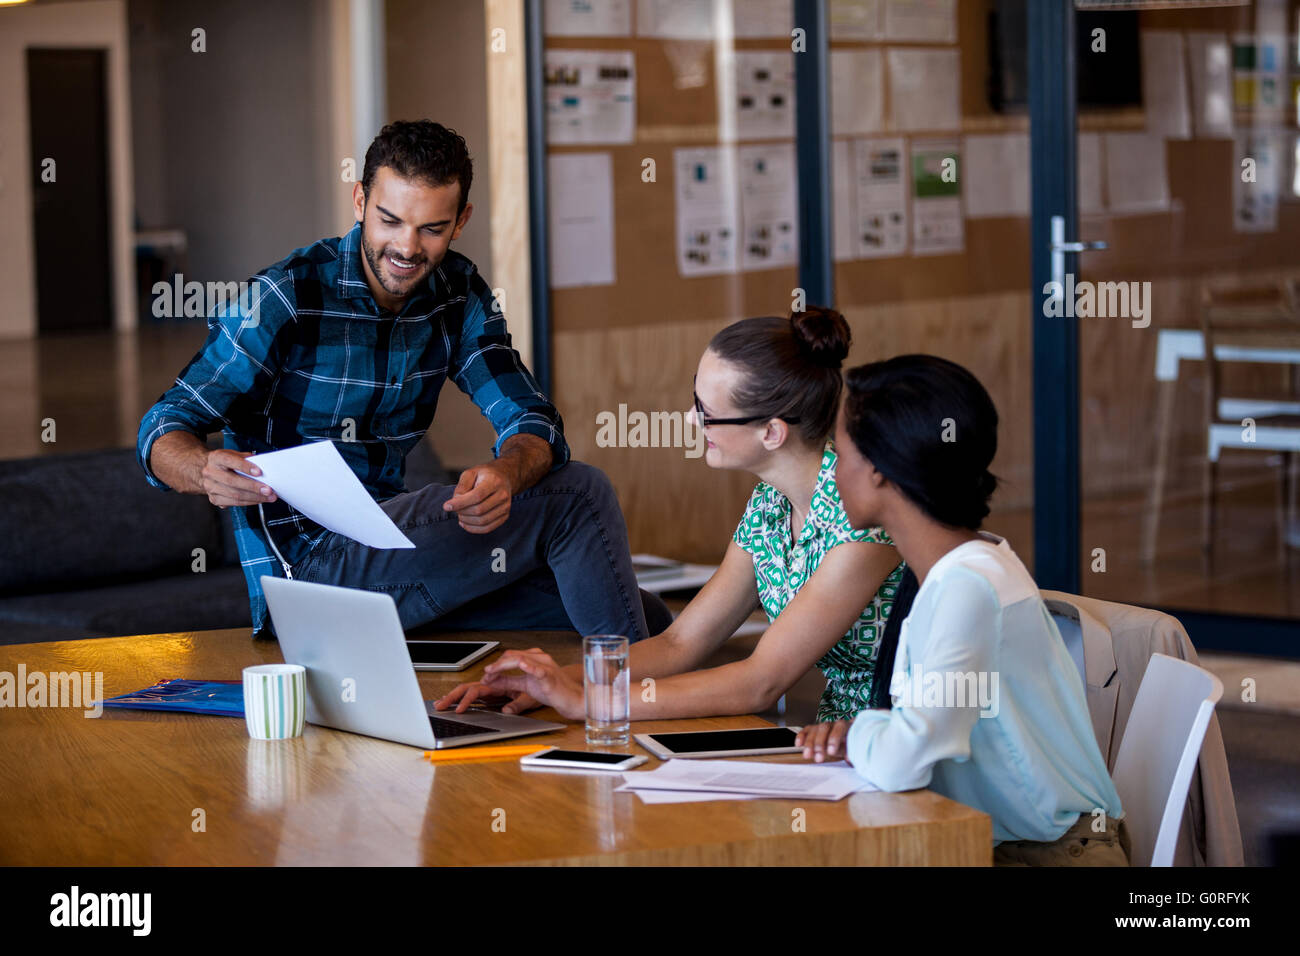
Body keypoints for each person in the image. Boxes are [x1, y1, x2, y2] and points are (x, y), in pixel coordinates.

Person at [137, 120, 661, 642]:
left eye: (432, 228)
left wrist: (509, 472)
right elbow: (164, 425)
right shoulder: (286, 297)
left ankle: (599, 700)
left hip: (394, 551)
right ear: (361, 202)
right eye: (391, 221)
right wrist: (202, 468)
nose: (407, 248)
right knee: (581, 495)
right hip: (309, 577)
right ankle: (633, 707)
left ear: (461, 221)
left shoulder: (457, 294)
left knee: (643, 611)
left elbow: (529, 416)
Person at [437, 307, 909, 723]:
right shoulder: (772, 501)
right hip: (850, 738)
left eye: (706, 412)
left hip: (910, 747)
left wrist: (592, 704)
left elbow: (760, 682)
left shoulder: (862, 513)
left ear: (772, 433)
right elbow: (681, 643)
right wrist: (549, 680)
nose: (689, 421)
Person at [799, 354, 1129, 866]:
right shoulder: (959, 569)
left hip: (1051, 857)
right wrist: (871, 735)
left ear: (881, 469)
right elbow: (917, 734)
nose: (832, 472)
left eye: (838, 454)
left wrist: (860, 731)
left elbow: (907, 759)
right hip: (996, 844)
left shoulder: (967, 587)